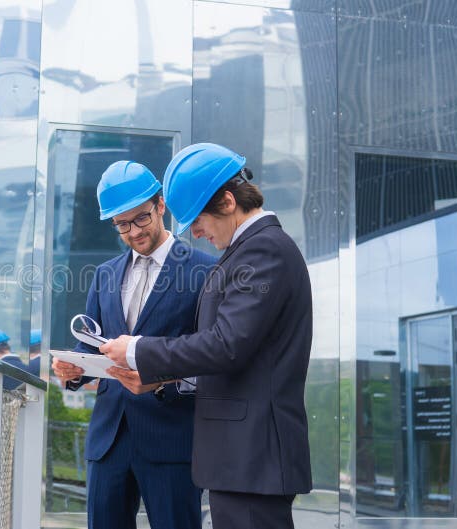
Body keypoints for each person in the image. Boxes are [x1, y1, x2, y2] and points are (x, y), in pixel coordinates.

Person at [102, 143, 313, 529]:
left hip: (252, 456)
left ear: (228, 202)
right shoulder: (249, 251)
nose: (196, 233)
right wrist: (164, 380)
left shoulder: (263, 250)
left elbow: (226, 345)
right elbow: (242, 355)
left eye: (197, 220)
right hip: (242, 459)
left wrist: (138, 350)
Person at [52, 160, 215, 529]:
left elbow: (210, 354)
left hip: (171, 437)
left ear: (161, 205)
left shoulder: (204, 271)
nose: (134, 231)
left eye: (141, 218)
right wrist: (73, 369)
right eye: (122, 224)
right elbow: (91, 345)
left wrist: (162, 379)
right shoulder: (105, 274)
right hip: (109, 440)